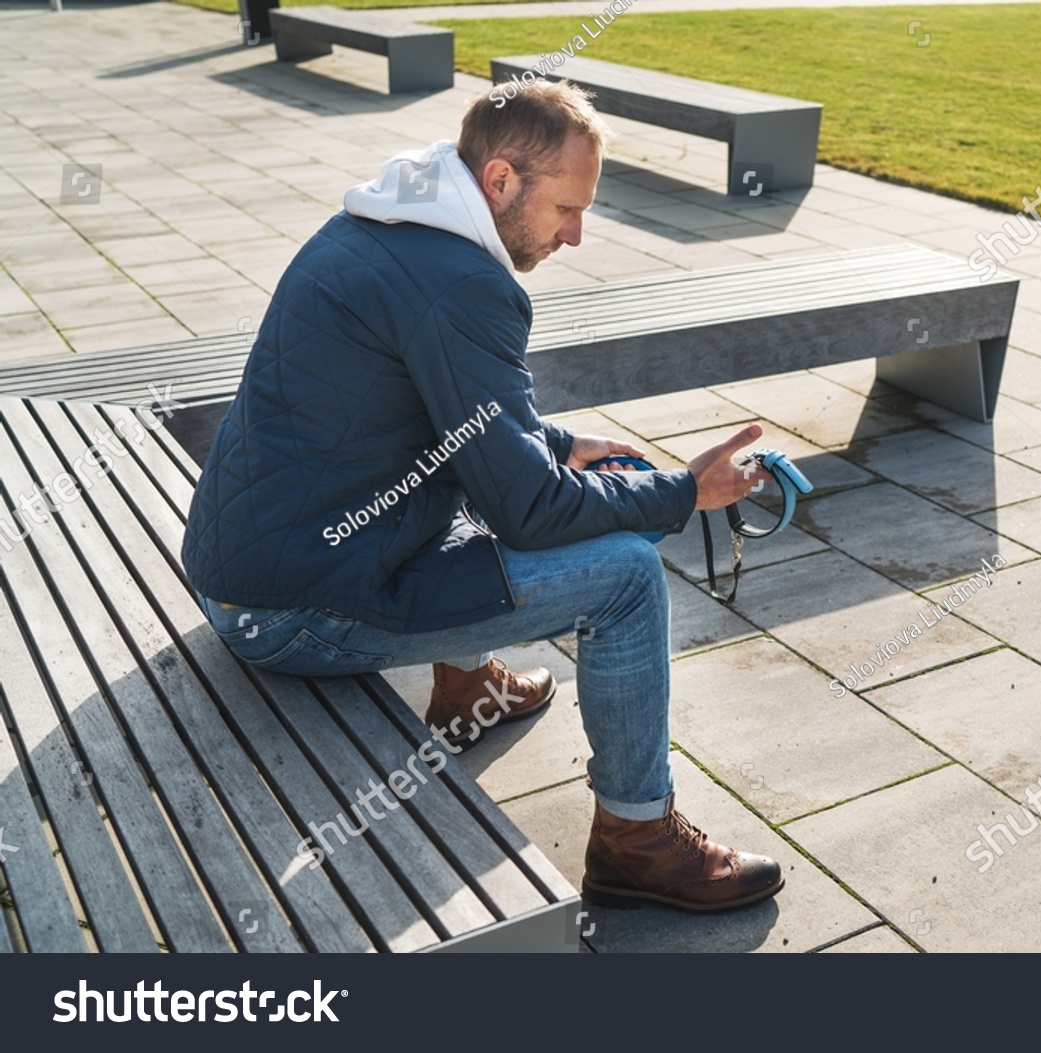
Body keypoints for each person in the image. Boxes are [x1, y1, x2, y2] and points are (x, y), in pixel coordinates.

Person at [181, 81, 784, 913]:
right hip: (288, 611)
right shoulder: (463, 284)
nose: (576, 234)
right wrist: (683, 490)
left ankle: (467, 689)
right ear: (500, 181)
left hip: (246, 566)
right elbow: (527, 510)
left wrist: (567, 446)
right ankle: (637, 842)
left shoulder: (385, 222)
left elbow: (458, 423)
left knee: (487, 480)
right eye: (567, 208)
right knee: (629, 577)